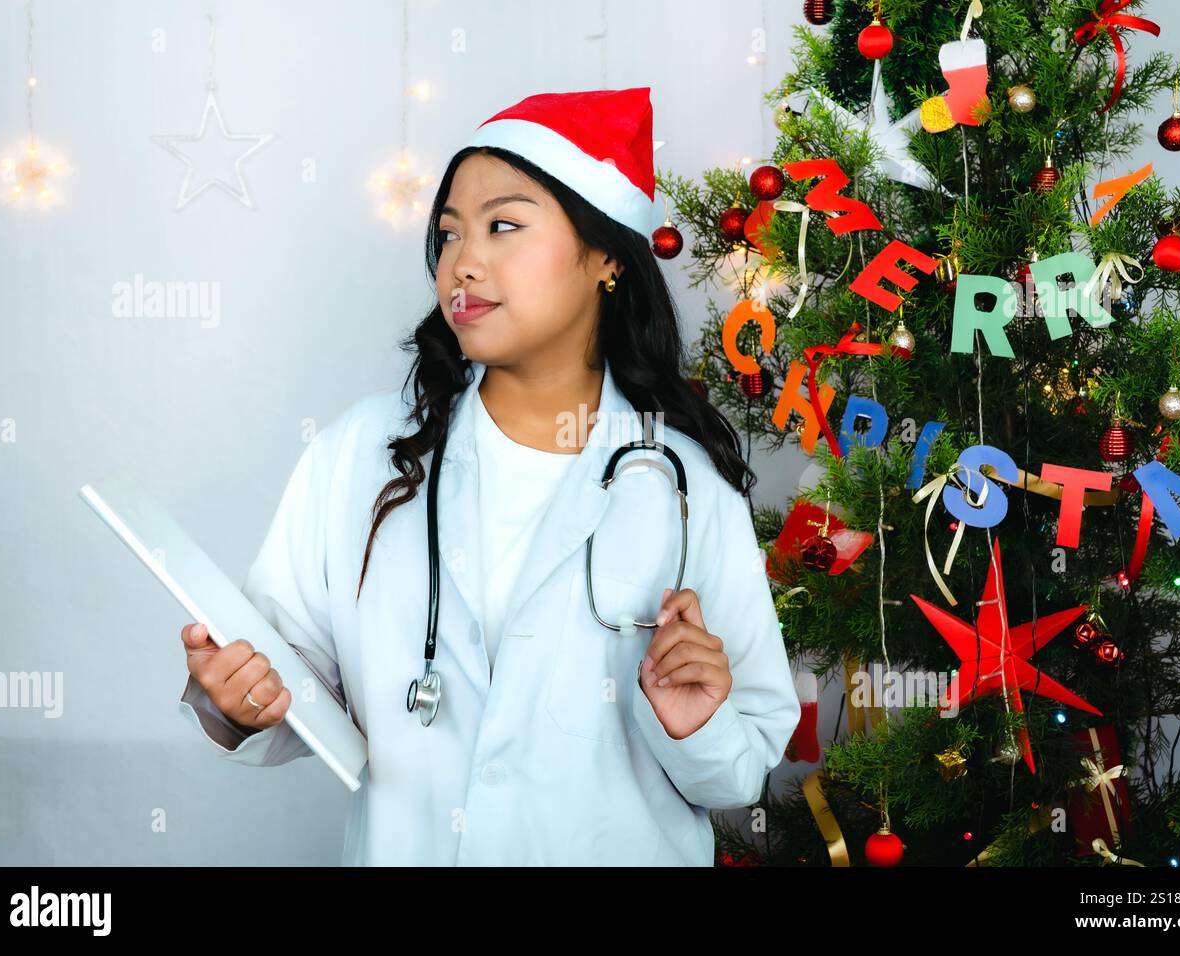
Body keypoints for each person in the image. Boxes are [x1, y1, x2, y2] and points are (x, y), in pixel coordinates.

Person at [177, 87, 800, 866]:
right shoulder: (363, 452)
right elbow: (286, 686)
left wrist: (696, 724)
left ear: (605, 255)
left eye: (503, 225)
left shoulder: (681, 486)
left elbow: (740, 771)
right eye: (448, 234)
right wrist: (236, 704)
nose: (462, 263)